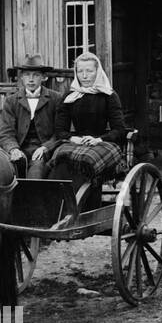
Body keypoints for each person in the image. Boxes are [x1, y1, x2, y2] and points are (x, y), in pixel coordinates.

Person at [50, 51, 126, 210]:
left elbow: (119, 129)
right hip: (78, 141)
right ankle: (57, 209)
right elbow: (60, 130)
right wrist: (72, 139)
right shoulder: (70, 96)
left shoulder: (109, 95)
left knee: (86, 161)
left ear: (97, 72)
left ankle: (83, 209)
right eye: (80, 71)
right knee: (61, 160)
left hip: (103, 142)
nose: (84, 76)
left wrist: (99, 139)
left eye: (89, 71)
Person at [0, 54, 61, 180]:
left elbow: (60, 132)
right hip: (19, 149)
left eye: (36, 75)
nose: (31, 79)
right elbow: (5, 132)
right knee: (4, 175)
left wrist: (46, 147)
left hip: (43, 151)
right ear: (21, 78)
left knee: (35, 175)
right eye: (27, 75)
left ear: (43, 77)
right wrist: (13, 148)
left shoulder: (55, 99)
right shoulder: (12, 101)